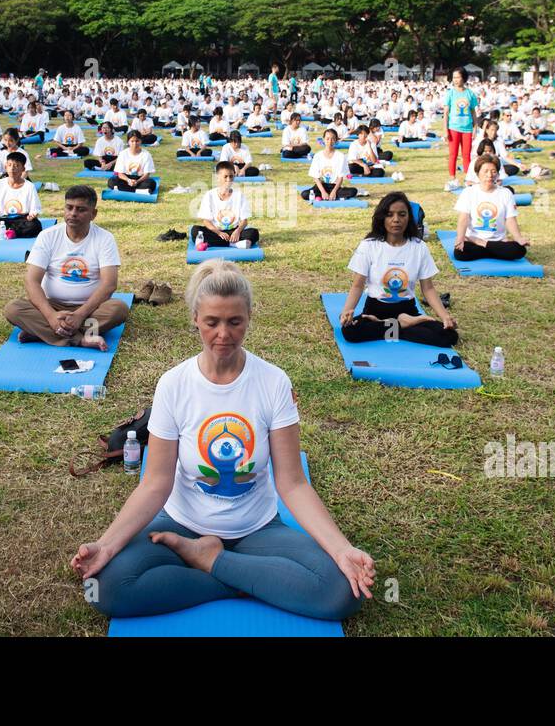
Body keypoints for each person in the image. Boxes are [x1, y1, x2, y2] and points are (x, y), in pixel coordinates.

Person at [72, 260, 371, 620]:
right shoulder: (174, 384)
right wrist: (105, 545)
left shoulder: (273, 382)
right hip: (181, 525)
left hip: (256, 530)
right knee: (105, 586)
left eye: (235, 322)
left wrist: (341, 549)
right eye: (212, 322)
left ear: (249, 318)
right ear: (195, 318)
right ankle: (253, 581)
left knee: (342, 590)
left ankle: (209, 560)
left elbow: (292, 484)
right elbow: (155, 484)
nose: (223, 335)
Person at [3, 186, 129, 349]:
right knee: (13, 309)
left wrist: (80, 314)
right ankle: (80, 339)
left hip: (91, 308)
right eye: (69, 207)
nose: (73, 213)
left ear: (93, 214)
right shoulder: (48, 236)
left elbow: (109, 284)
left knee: (118, 309)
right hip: (51, 305)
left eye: (81, 209)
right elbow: (31, 281)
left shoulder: (105, 238)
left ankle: (41, 331)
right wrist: (50, 316)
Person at [339, 192, 458, 348]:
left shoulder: (419, 247)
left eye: (402, 214)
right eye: (390, 215)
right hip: (374, 310)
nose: (396, 219)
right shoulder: (369, 245)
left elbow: (428, 288)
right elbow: (357, 285)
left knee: (449, 336)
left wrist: (445, 317)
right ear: (382, 218)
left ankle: (390, 325)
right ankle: (402, 325)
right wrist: (347, 312)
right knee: (350, 331)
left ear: (409, 218)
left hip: (407, 310)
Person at [453, 156, 530, 262]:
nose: (489, 175)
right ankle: (495, 251)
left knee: (519, 250)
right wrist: (460, 237)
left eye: (493, 171)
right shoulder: (468, 192)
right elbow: (463, 218)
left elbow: (510, 219)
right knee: (460, 253)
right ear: (477, 173)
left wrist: (518, 238)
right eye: (485, 171)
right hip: (473, 239)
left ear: (498, 174)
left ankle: (484, 245)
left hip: (497, 241)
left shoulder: (505, 193)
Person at [191, 162, 261, 250]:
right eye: (225, 176)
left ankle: (214, 243)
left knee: (253, 232)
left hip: (233, 232)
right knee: (195, 230)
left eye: (231, 176)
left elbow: (244, 221)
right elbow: (206, 221)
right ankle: (234, 244)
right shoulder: (209, 195)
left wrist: (237, 231)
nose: (228, 179)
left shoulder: (239, 195)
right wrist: (219, 233)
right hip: (215, 231)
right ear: (217, 177)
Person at [443, 70, 478, 189]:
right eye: (454, 77)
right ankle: (452, 178)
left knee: (466, 155)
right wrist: (445, 129)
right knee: (453, 154)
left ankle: (468, 179)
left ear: (463, 78)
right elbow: (446, 113)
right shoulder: (450, 93)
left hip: (467, 128)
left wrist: (475, 128)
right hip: (453, 128)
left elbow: (473, 112)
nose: (455, 80)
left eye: (458, 77)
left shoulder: (470, 94)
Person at [302, 128, 359, 202]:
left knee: (353, 191)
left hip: (334, 186)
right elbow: (316, 178)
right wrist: (323, 192)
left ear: (336, 140)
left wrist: (334, 191)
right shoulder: (318, 156)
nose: (330, 141)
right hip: (321, 186)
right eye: (327, 139)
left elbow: (340, 177)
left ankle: (331, 195)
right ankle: (325, 195)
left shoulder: (341, 156)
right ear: (324, 139)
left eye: (332, 139)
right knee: (305, 194)